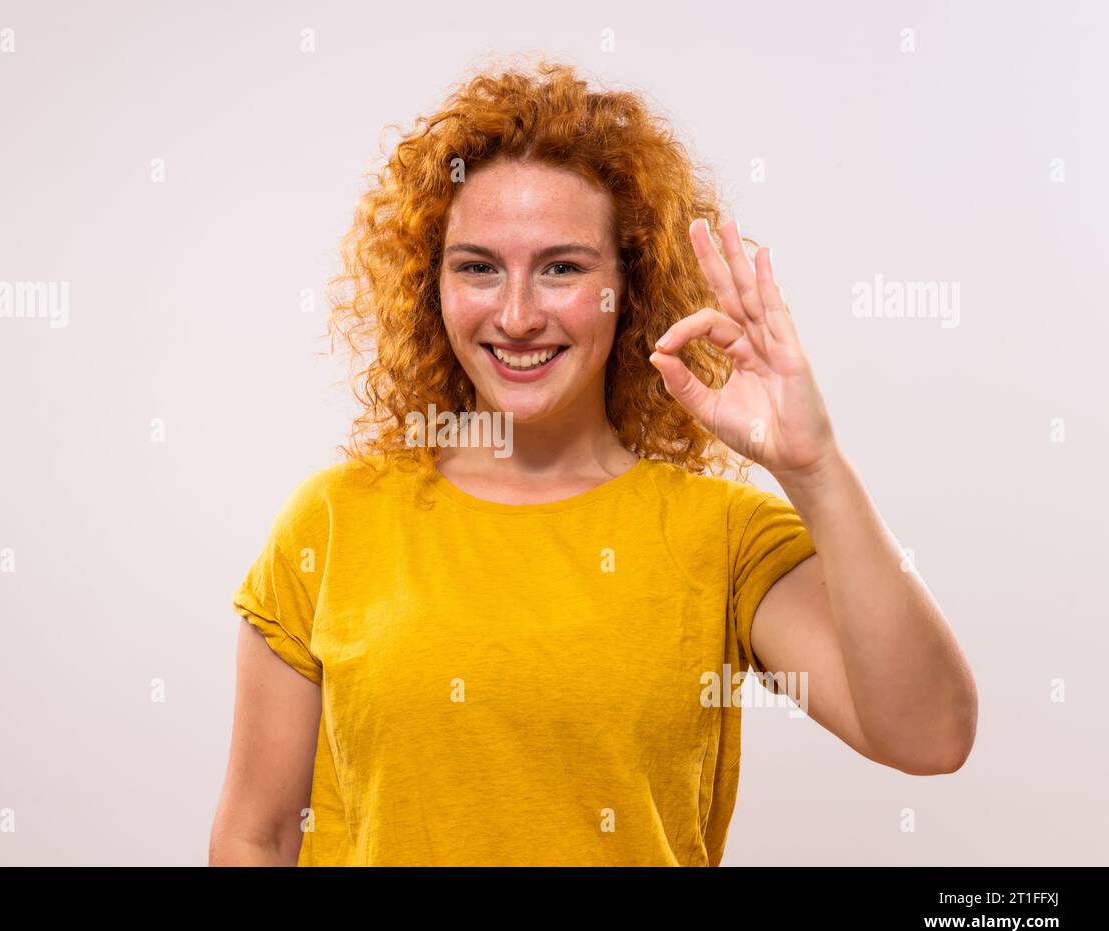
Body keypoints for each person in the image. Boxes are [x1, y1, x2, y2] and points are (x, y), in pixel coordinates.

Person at [208, 58, 977, 867]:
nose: (516, 316)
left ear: (630, 286)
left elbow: (930, 736)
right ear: (431, 286)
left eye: (562, 269)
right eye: (478, 267)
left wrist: (814, 470)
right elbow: (257, 836)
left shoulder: (724, 535)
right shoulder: (333, 522)